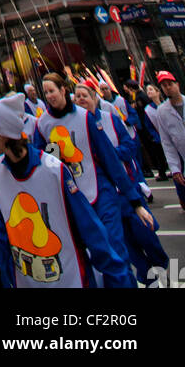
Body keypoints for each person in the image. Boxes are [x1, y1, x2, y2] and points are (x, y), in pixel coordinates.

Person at [0, 94, 132, 289]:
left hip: (70, 279)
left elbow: (90, 229)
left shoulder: (53, 170)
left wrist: (118, 277)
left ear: (2, 131)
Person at [35, 72, 152, 285]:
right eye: (46, 92)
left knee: (115, 251)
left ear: (63, 90)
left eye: (52, 90)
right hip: (73, 199)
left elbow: (109, 159)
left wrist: (134, 200)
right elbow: (43, 163)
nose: (49, 95)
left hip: (102, 192)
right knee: (89, 257)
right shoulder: (43, 125)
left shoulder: (85, 117)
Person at [73, 79, 168, 285]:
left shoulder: (110, 119)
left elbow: (130, 145)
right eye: (77, 97)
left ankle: (160, 266)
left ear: (94, 98)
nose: (81, 100)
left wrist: (108, 155)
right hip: (105, 196)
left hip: (127, 189)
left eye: (85, 96)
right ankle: (145, 277)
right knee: (123, 244)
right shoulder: (74, 128)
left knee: (147, 236)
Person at [155, 71, 185, 212]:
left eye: (170, 84)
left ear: (177, 85)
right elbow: (167, 142)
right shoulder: (162, 111)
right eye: (164, 85)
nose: (168, 87)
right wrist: (174, 168)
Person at [143, 83, 170, 182]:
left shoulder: (167, 104)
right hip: (159, 137)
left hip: (171, 134)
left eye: (151, 89)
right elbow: (148, 126)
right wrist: (155, 137)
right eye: (147, 91)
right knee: (161, 155)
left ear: (157, 92)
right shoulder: (148, 109)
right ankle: (162, 172)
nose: (149, 92)